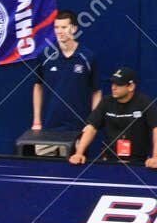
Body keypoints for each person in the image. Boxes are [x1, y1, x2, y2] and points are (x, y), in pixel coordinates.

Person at [31, 15, 100, 149]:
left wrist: (92, 123)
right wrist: (37, 120)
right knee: (46, 168)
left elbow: (97, 92)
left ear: (74, 28)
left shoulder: (87, 57)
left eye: (64, 27)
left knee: (74, 166)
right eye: (56, 27)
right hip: (48, 127)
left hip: (78, 129)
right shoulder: (45, 55)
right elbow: (38, 87)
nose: (59, 31)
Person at [70, 67, 157, 167]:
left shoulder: (144, 102)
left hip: (138, 162)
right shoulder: (106, 102)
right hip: (109, 161)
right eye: (113, 83)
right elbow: (91, 127)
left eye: (118, 84)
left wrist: (156, 157)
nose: (113, 87)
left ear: (131, 87)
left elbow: (156, 128)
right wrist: (79, 153)